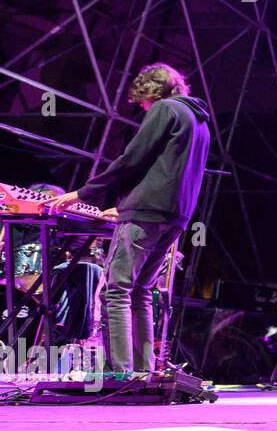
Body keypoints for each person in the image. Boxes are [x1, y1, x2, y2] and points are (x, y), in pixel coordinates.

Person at [44, 64, 210, 374]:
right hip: (175, 215)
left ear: (151, 92)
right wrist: (126, 206)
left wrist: (81, 193)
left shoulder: (165, 109)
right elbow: (167, 170)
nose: (143, 108)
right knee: (140, 292)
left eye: (143, 101)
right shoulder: (198, 120)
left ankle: (120, 372)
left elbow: (132, 159)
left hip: (146, 212)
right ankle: (142, 372)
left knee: (116, 291)